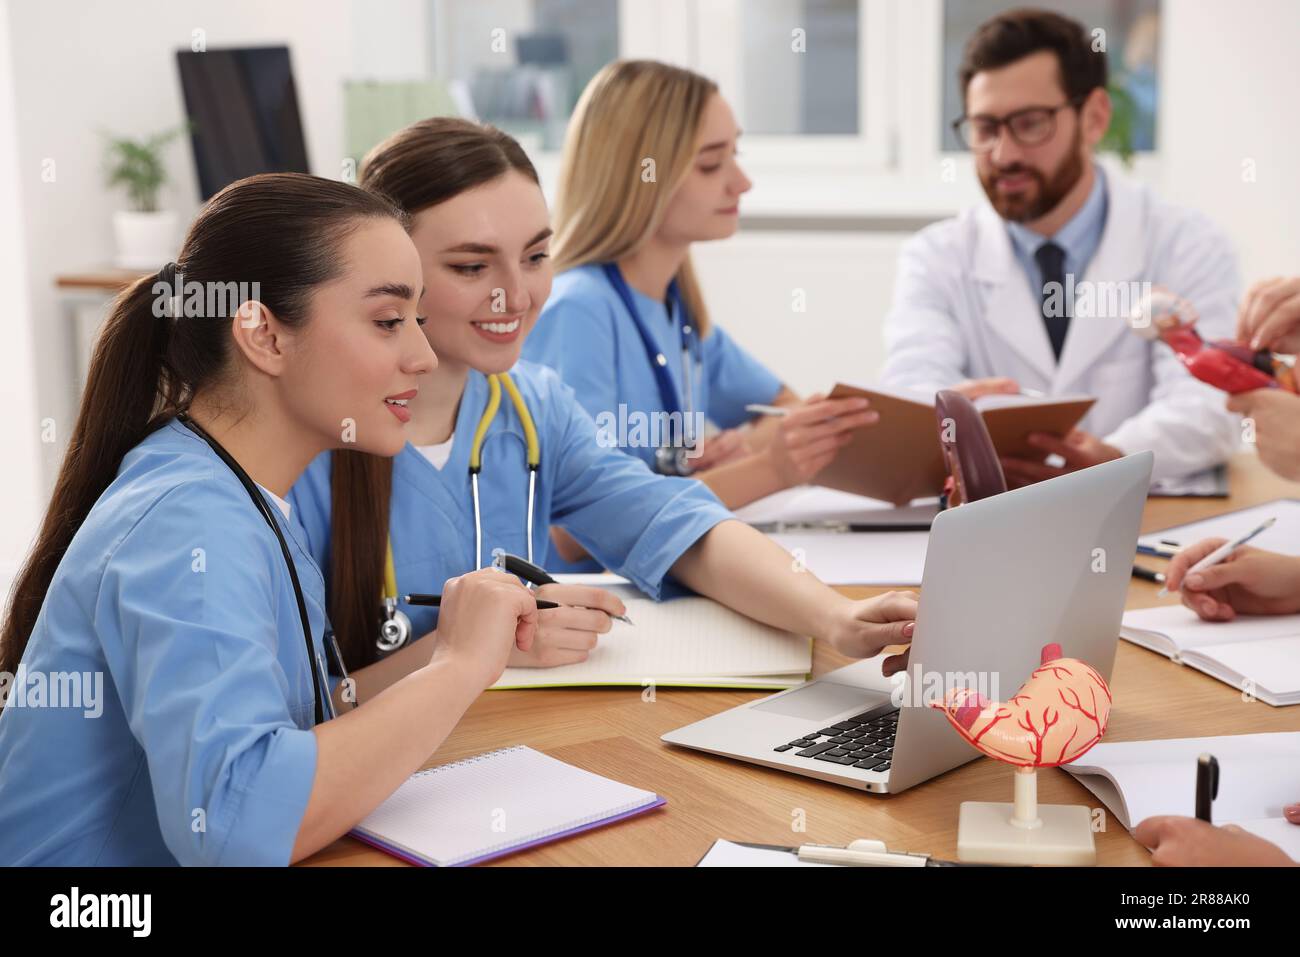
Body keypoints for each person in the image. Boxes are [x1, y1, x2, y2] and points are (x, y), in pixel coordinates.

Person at [0, 174, 542, 865]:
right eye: (386, 321)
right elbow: (235, 827)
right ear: (263, 335)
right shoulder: (190, 525)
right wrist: (457, 665)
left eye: (419, 321)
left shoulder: (239, 492)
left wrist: (456, 653)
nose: (424, 356)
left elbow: (300, 731)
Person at [287, 118, 918, 687]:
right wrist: (471, 650)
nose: (518, 294)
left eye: (535, 256)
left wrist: (838, 617)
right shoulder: (309, 440)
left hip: (516, 744)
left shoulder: (534, 408)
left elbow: (677, 526)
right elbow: (303, 712)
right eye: (472, 267)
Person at [881, 7, 1240, 486]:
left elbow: (1211, 404)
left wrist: (1115, 455)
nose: (1004, 155)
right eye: (985, 129)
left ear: (1093, 118)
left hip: (1145, 512)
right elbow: (912, 391)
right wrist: (946, 425)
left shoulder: (1187, 244)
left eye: (1030, 124)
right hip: (995, 523)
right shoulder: (935, 257)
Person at [523, 59, 875, 518]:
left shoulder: (680, 312)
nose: (741, 183)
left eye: (736, 156)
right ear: (641, 177)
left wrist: (739, 447)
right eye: (711, 164)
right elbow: (578, 525)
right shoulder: (578, 311)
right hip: (591, 584)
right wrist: (768, 467)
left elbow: (787, 410)